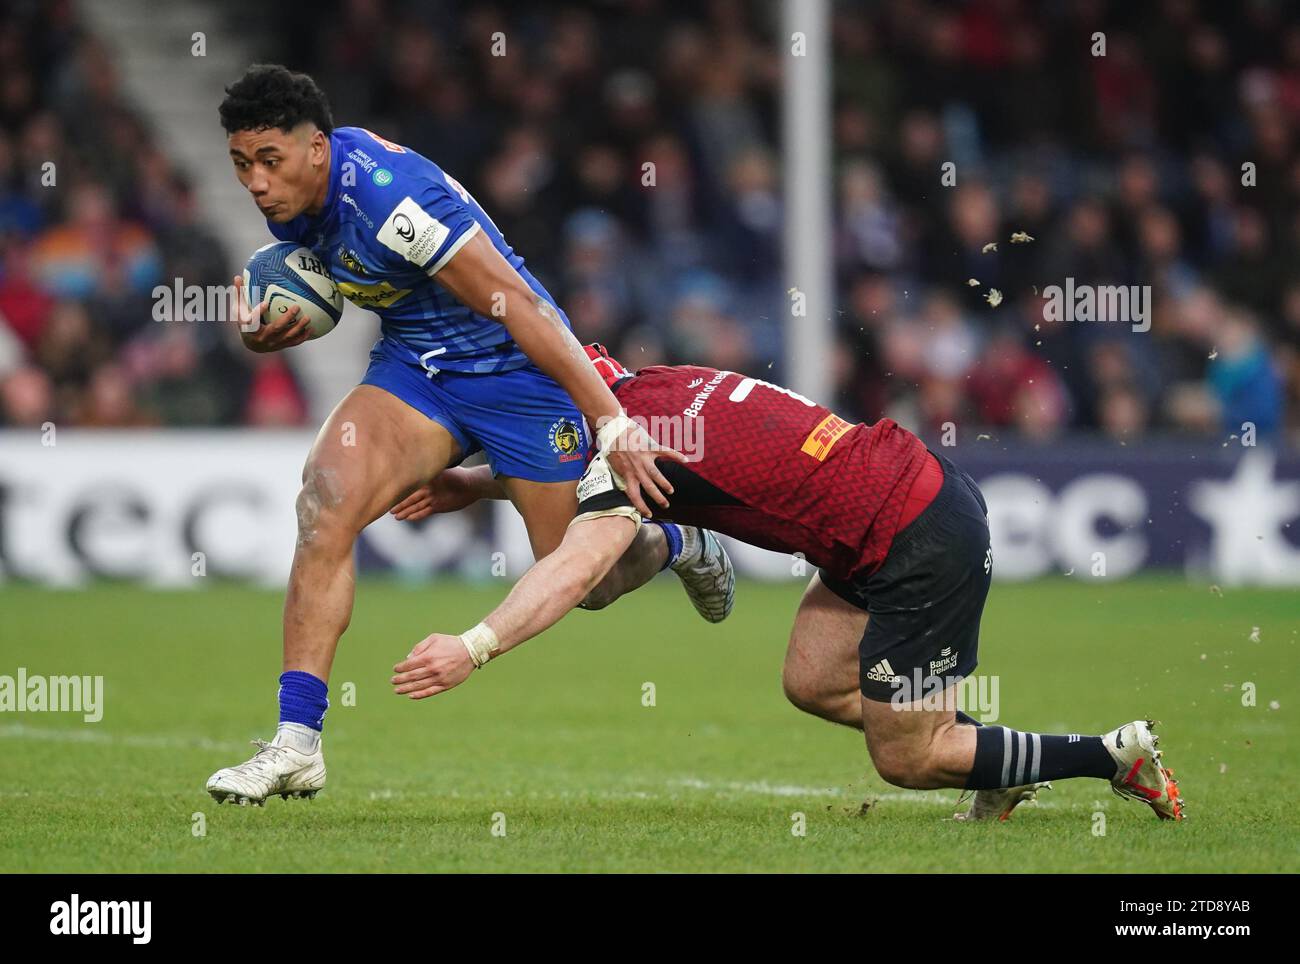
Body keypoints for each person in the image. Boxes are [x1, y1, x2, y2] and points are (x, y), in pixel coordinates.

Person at [205, 67, 733, 806]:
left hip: (518, 372)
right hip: (415, 371)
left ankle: (676, 543)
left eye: (269, 161)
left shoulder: (387, 195)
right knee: (324, 504)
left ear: (317, 149)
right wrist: (265, 338)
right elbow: (363, 285)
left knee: (587, 582)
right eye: (241, 165)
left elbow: (514, 301)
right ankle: (296, 744)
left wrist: (610, 419)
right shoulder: (290, 205)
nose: (256, 183)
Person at [389, 345, 1185, 822]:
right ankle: (988, 764)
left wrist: (476, 645)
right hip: (886, 514)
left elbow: (576, 568)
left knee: (907, 760)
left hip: (914, 540)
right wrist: (480, 482)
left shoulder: (619, 453)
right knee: (814, 680)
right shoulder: (651, 392)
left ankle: (1111, 758)